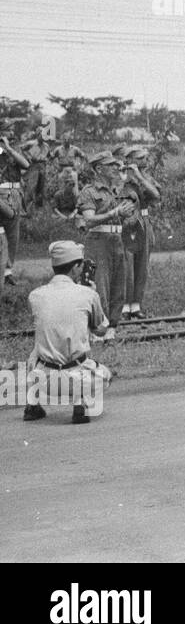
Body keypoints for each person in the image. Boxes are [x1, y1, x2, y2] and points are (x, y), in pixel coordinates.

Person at [23, 241, 113, 424]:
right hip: (75, 379)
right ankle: (81, 404)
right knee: (105, 374)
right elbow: (101, 329)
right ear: (75, 267)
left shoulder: (35, 295)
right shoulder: (87, 294)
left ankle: (32, 404)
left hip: (43, 380)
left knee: (36, 351)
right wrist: (93, 298)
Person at [76, 151, 131, 338]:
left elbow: (117, 218)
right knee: (99, 285)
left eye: (116, 164)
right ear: (99, 168)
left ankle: (112, 327)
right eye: (111, 165)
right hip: (98, 242)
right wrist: (113, 213)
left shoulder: (115, 191)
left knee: (118, 285)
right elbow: (89, 220)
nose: (116, 168)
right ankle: (97, 329)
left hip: (116, 241)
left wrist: (123, 214)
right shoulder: (89, 191)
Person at [120, 148, 161, 320]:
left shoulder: (146, 178)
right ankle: (124, 306)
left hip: (144, 221)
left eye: (145, 157)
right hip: (128, 222)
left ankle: (136, 305)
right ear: (131, 160)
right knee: (127, 266)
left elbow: (156, 195)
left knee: (142, 266)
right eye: (140, 158)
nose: (145, 160)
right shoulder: (121, 177)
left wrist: (140, 177)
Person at [0, 122, 30, 285]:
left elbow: (25, 164)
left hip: (14, 194)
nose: (11, 133)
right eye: (7, 131)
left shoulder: (13, 149)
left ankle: (7, 272)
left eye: (12, 131)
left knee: (13, 235)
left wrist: (9, 148)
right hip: (1, 193)